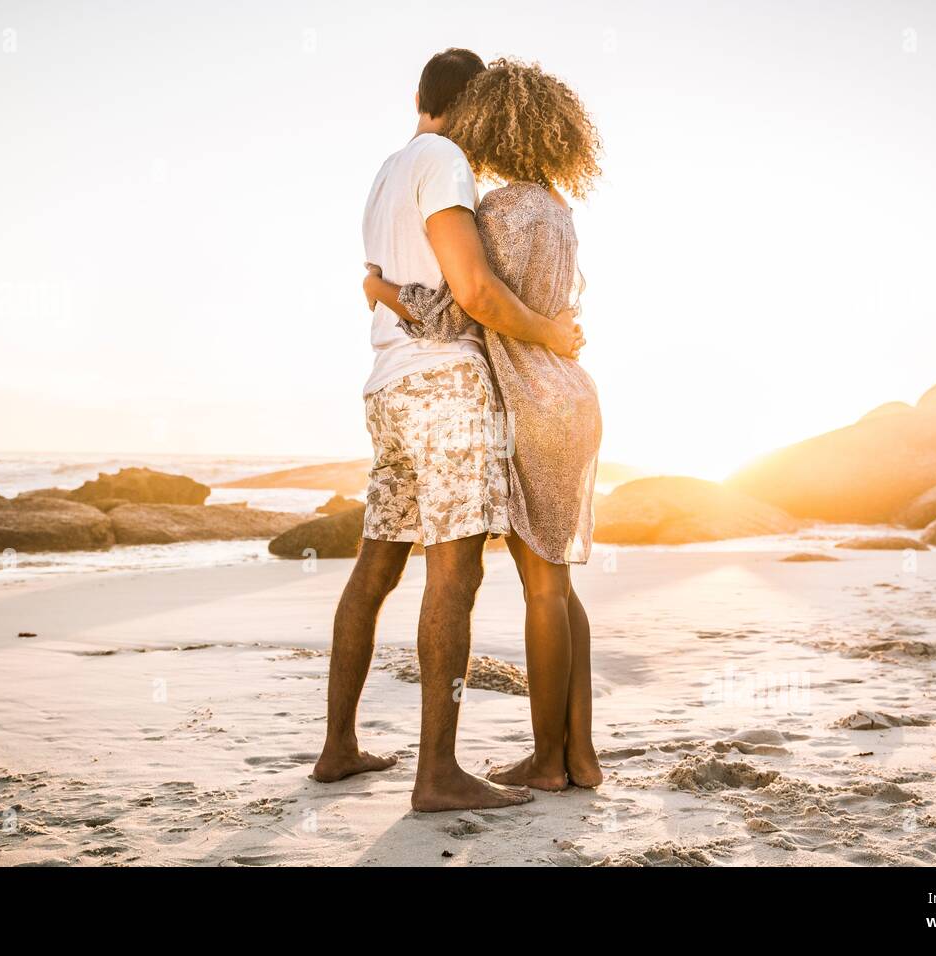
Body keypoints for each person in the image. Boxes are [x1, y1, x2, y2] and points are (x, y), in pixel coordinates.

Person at [312, 48, 584, 812]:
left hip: (388, 386)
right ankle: (437, 774)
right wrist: (552, 336)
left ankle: (338, 748)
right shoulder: (448, 161)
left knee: (377, 567)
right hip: (447, 387)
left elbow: (391, 281)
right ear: (472, 105)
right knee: (455, 577)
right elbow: (473, 292)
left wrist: (379, 288)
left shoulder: (388, 170)